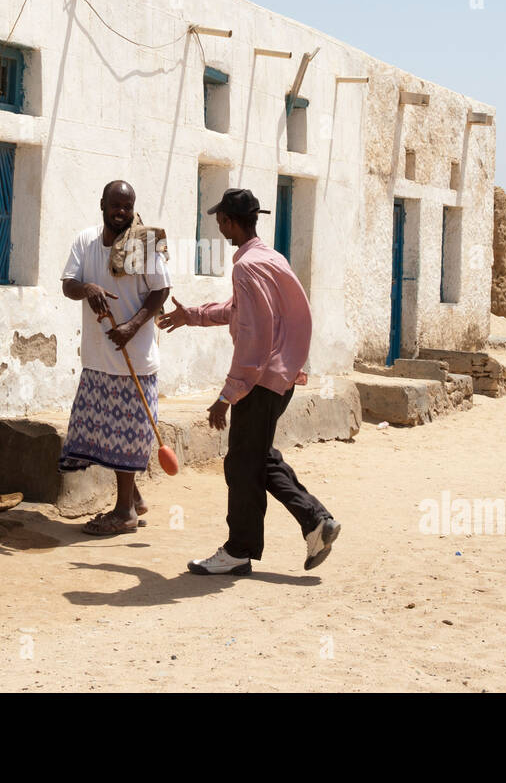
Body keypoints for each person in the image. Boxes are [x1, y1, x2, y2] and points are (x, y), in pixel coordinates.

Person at [159, 187, 339, 574]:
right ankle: (315, 522)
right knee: (256, 458)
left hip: (262, 379)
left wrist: (227, 394)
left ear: (229, 221)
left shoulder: (247, 266)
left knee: (242, 464)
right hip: (279, 376)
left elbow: (255, 335)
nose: (219, 226)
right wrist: (192, 315)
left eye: (221, 220)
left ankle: (241, 549)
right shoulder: (267, 257)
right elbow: (240, 313)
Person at [59, 181, 171, 535]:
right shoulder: (86, 241)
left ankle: (124, 513)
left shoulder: (141, 243)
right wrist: (88, 288)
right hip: (97, 359)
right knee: (103, 438)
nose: (121, 211)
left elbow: (161, 289)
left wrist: (131, 327)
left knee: (126, 438)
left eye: (128, 205)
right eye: (115, 205)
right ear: (102, 204)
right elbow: (68, 284)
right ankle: (134, 498)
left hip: (132, 359)